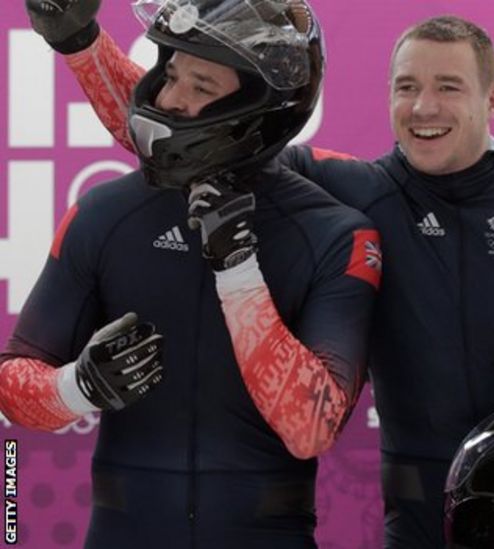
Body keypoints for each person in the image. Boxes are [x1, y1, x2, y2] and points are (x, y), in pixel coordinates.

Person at [25, 3, 494, 547]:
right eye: (406, 87)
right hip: (413, 523)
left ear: (493, 99)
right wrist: (82, 45)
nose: (424, 106)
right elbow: (193, 138)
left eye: (448, 87)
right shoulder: (355, 189)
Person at [1, 1, 379, 547]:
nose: (169, 99)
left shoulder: (336, 234)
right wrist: (75, 387)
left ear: (260, 108)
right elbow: (12, 386)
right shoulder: (103, 213)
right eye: (170, 73)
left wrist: (238, 269)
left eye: (201, 85)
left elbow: (310, 429)